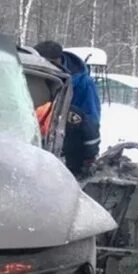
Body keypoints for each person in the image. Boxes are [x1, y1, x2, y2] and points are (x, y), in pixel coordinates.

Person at [35, 40, 102, 175]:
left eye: (49, 63)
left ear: (58, 61)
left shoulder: (83, 83)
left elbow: (91, 122)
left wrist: (89, 155)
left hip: (68, 147)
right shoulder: (29, 74)